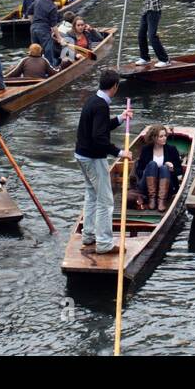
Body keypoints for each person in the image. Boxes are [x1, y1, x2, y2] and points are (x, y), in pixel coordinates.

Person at [75, 70, 134, 255]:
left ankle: (89, 235)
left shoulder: (93, 101)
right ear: (115, 86)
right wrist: (119, 152)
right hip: (93, 158)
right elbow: (99, 137)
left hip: (81, 155)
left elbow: (98, 127)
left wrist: (119, 118)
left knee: (91, 195)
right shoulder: (101, 105)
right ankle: (104, 244)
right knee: (106, 201)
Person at [134, 124, 184, 211]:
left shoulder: (172, 149)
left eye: (165, 135)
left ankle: (161, 201)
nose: (164, 138)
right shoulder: (146, 149)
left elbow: (179, 171)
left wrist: (172, 168)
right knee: (152, 164)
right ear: (154, 138)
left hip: (166, 187)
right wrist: (148, 171)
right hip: (147, 187)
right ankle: (152, 200)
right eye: (161, 136)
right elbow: (138, 171)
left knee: (164, 168)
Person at [29, 0, 62, 66]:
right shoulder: (53, 6)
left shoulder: (37, 1)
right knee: (48, 51)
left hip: (33, 28)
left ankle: (35, 67)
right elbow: (54, 25)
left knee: (35, 50)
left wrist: (33, 23)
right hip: (43, 30)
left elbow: (29, 13)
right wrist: (59, 38)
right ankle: (50, 68)